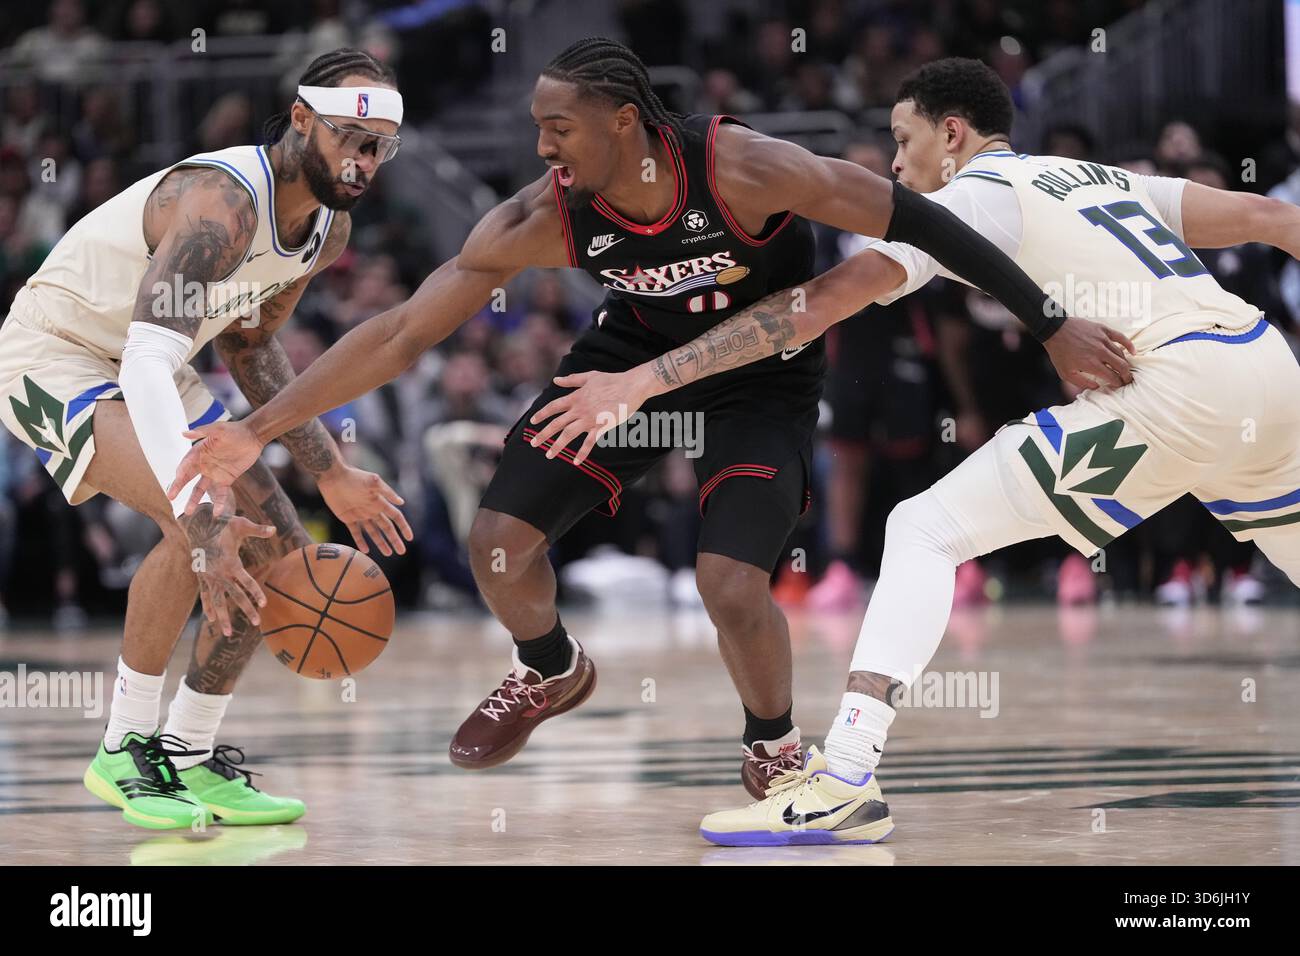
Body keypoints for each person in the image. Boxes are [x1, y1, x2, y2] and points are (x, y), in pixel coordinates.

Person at [169, 39, 1125, 800]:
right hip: (625, 366)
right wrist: (262, 429)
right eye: (538, 129)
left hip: (762, 373)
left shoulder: (746, 168)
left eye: (560, 128)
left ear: (626, 122)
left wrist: (1049, 322)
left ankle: (774, 748)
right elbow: (400, 332)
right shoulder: (543, 216)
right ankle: (549, 668)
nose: (544, 148)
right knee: (498, 544)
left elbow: (927, 221)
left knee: (731, 583)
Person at [524, 57, 1300, 846]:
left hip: (1175, 389)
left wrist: (647, 379)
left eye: (904, 140)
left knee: (923, 530)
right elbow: (1272, 220)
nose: (895, 165)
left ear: (953, 134)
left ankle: (847, 777)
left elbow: (816, 305)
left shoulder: (973, 196)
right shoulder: (1090, 175)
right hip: (1267, 365)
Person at [0, 48, 411, 829]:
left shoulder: (327, 231)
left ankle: (189, 753)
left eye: (377, 147)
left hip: (152, 361)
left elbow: (249, 346)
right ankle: (125, 747)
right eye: (347, 138)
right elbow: (152, 354)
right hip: (55, 353)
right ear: (299, 120)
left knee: (274, 553)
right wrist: (200, 516)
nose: (360, 162)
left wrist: (329, 470)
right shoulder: (221, 202)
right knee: (200, 525)